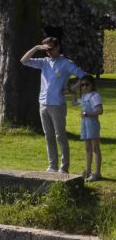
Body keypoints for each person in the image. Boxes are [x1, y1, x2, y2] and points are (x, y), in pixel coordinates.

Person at [21, 37, 88, 174]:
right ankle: (52, 166)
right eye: (46, 50)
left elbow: (84, 76)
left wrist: (71, 88)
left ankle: (64, 167)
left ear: (58, 47)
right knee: (48, 136)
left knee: (60, 136)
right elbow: (24, 60)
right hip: (43, 104)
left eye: (51, 49)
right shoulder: (44, 62)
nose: (49, 52)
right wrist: (36, 48)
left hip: (57, 105)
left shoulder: (66, 63)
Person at [73, 75, 103, 181]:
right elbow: (74, 103)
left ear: (92, 85)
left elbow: (100, 111)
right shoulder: (84, 96)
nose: (84, 87)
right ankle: (88, 171)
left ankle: (97, 173)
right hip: (84, 124)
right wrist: (73, 92)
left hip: (92, 124)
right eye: (82, 85)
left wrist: (87, 114)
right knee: (87, 148)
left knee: (95, 148)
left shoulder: (95, 96)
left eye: (87, 84)